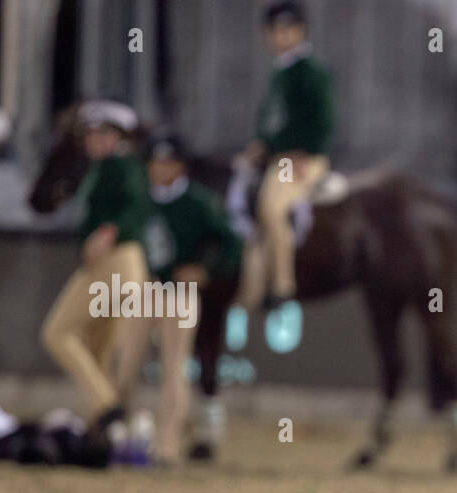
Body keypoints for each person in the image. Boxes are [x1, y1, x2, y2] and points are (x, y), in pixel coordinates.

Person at [38, 99, 150, 453]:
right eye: (91, 132)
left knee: (58, 333)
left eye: (100, 132)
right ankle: (104, 436)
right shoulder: (103, 168)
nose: (92, 139)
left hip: (115, 262)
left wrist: (108, 232)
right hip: (124, 264)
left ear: (115, 136)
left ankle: (107, 408)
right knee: (99, 346)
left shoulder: (122, 166)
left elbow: (136, 206)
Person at [139, 133, 243, 463]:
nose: (160, 169)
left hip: (179, 293)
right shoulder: (141, 199)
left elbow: (231, 242)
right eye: (156, 162)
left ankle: (167, 445)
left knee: (173, 368)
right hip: (144, 291)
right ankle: (115, 432)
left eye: (168, 163)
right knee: (125, 361)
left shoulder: (199, 202)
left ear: (181, 167)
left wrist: (204, 269)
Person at [236, 0, 336, 325]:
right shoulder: (280, 72)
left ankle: (282, 284)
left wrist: (304, 150)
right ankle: (250, 288)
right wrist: (260, 144)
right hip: (279, 157)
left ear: (301, 31)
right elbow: (274, 121)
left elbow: (324, 119)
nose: (282, 36)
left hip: (302, 159)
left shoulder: (310, 71)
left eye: (288, 29)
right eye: (276, 30)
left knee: (273, 208)